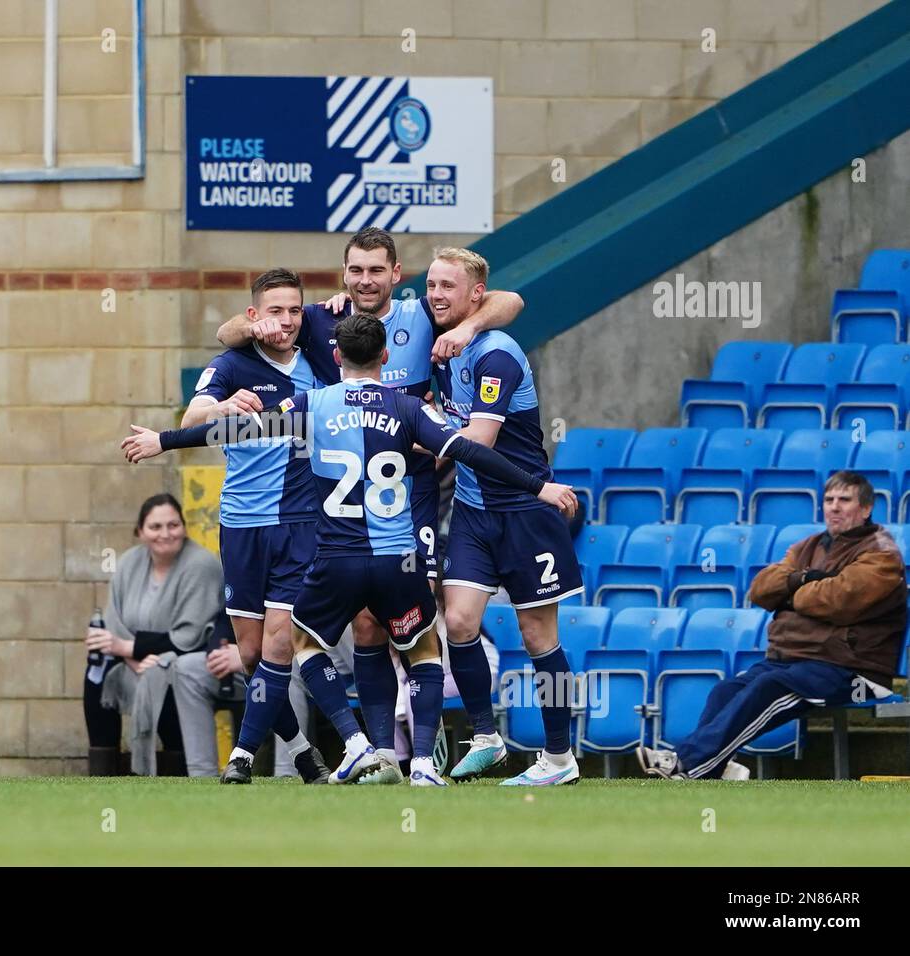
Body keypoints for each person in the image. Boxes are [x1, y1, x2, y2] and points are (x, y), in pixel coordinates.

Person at [123, 313, 578, 786]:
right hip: (398, 558)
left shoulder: (312, 404)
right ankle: (422, 763)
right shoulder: (409, 409)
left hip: (336, 558)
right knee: (422, 650)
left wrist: (163, 441)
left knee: (302, 644)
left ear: (337, 357)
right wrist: (537, 486)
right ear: (385, 356)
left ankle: (355, 742)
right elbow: (471, 452)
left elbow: (233, 431)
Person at [214, 227, 525, 777]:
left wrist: (471, 325)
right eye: (355, 270)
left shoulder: (422, 315)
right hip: (347, 509)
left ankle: (432, 749)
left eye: (375, 270)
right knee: (364, 627)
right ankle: (384, 755)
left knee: (416, 624)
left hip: (415, 498)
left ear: (394, 274)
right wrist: (252, 323)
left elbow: (509, 300)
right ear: (343, 275)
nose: (364, 280)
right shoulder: (316, 319)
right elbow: (230, 330)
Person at [429, 247, 587, 786]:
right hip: (473, 511)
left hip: (525, 510)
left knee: (538, 634)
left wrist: (417, 424)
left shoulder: (495, 353)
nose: (435, 295)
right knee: (458, 622)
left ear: (475, 296)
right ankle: (487, 739)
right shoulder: (440, 340)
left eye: (447, 286)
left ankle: (560, 758)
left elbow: (478, 440)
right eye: (431, 284)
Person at [638, 472, 908, 780]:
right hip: (794, 661)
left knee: (772, 688)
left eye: (844, 500)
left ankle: (686, 763)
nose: (834, 507)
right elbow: (761, 589)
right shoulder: (808, 546)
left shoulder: (881, 553)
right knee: (726, 690)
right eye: (829, 500)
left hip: (852, 669)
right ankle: (709, 766)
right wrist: (802, 580)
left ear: (866, 509)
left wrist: (790, 596)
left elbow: (837, 599)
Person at [183, 268, 333, 784]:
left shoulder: (316, 363)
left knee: (278, 646)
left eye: (295, 310)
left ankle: (241, 758)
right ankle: (304, 752)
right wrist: (222, 407)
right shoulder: (233, 363)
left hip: (299, 524)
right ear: (254, 316)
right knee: (249, 653)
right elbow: (191, 417)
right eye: (275, 311)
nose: (287, 321)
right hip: (241, 525)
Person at [83, 494, 229, 777]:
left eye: (173, 525)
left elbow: (191, 635)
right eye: (155, 527)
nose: (165, 534)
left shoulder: (201, 565)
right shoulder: (128, 562)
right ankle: (102, 771)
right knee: (97, 670)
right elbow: (113, 622)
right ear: (140, 532)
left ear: (184, 528)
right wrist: (131, 659)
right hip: (133, 660)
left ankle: (175, 771)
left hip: (184, 658)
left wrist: (129, 649)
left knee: (165, 675)